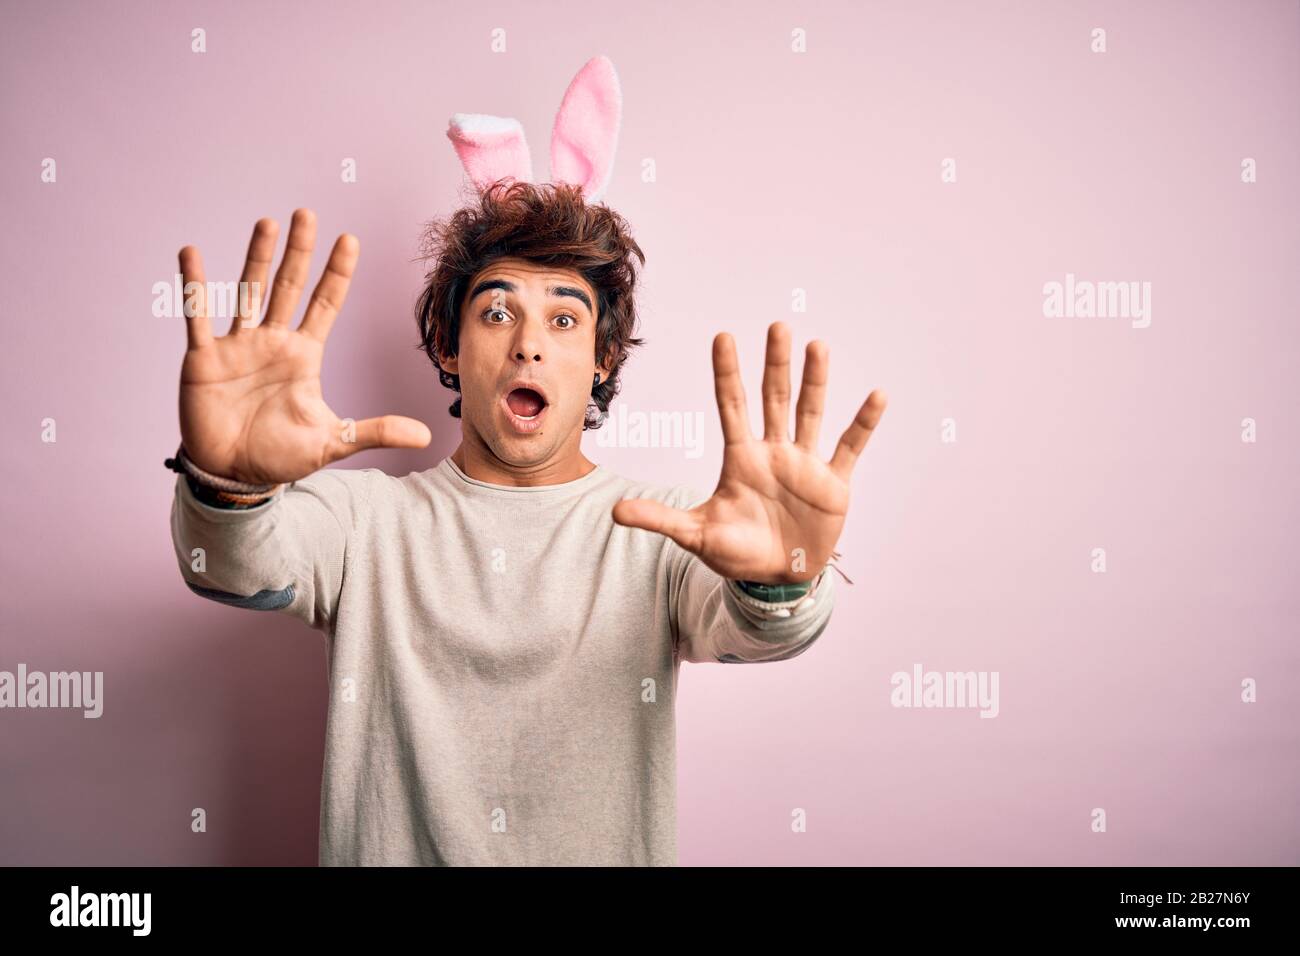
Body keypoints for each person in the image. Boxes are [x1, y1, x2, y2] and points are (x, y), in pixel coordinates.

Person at [166, 179, 886, 865]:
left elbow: (759, 633)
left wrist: (780, 580)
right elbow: (234, 567)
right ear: (449, 347)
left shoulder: (664, 530)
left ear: (603, 360)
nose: (527, 345)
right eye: (496, 312)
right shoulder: (365, 521)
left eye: (564, 319)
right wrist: (227, 482)